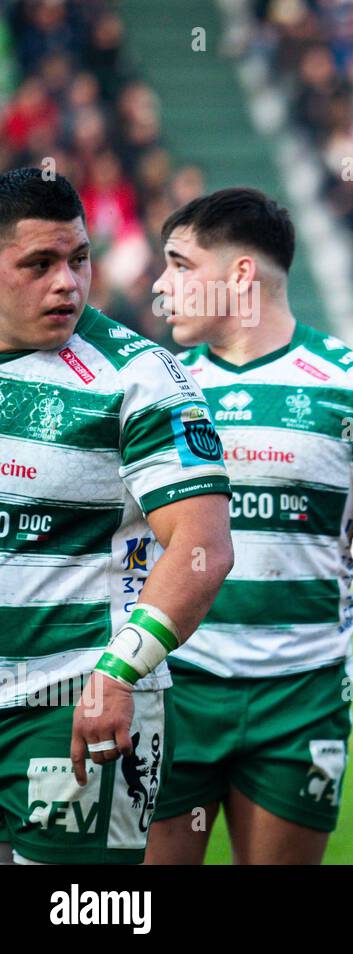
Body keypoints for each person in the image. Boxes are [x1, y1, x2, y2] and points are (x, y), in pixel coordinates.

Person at [144, 188, 353, 865]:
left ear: (241, 275)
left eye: (182, 265)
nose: (163, 286)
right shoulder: (156, 388)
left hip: (300, 699)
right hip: (172, 687)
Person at [0, 167, 233, 865]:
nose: (67, 283)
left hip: (74, 701)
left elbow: (204, 545)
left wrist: (120, 672)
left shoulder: (139, 378)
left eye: (77, 259)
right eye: (37, 265)